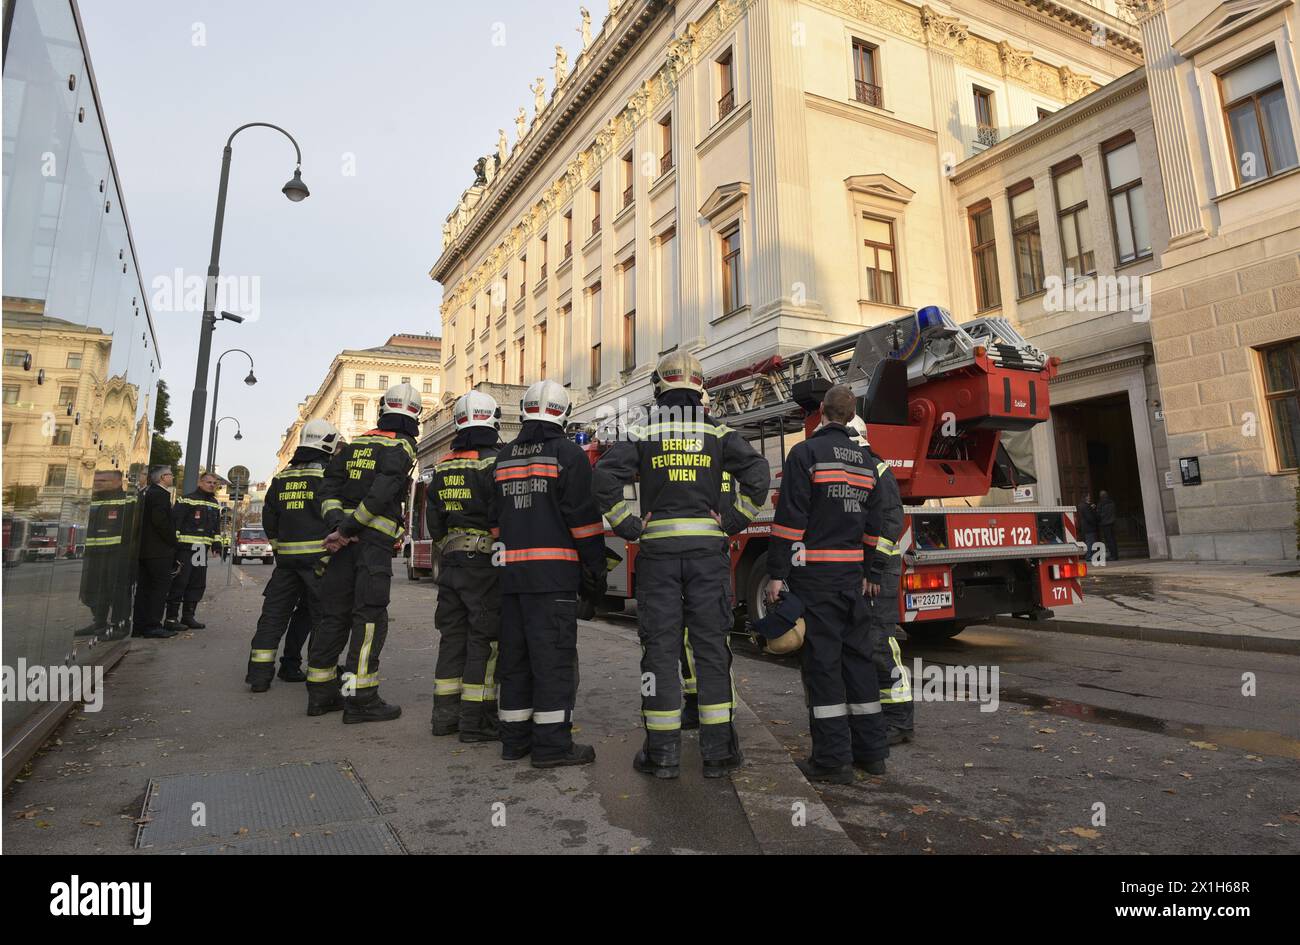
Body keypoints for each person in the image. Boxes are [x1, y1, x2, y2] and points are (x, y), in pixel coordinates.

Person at [593, 352, 770, 780]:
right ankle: (719, 753)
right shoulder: (718, 431)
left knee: (660, 650)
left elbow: (602, 478)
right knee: (711, 647)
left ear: (660, 388)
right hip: (708, 557)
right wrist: (731, 521)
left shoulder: (644, 431)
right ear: (699, 388)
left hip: (658, 559)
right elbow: (758, 474)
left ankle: (663, 755)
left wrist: (630, 525)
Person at [765, 384, 889, 784]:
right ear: (851, 416)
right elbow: (876, 525)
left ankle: (833, 762)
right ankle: (872, 755)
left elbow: (789, 520)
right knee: (859, 664)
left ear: (821, 411)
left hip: (815, 580)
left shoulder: (805, 455)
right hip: (853, 581)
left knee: (823, 667)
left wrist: (778, 573)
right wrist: (871, 571)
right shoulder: (868, 461)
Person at [494, 379, 606, 768]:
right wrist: (595, 569)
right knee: (553, 660)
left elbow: (497, 523)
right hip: (553, 578)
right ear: (563, 413)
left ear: (524, 411)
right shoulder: (567, 455)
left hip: (509, 579)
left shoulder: (504, 456)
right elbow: (584, 522)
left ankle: (514, 740)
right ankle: (552, 746)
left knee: (515, 659)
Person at [308, 383, 420, 721]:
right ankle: (360, 699)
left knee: (334, 616)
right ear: (414, 415)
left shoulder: (353, 445)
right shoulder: (401, 447)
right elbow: (382, 493)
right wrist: (349, 529)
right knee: (369, 618)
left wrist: (337, 526)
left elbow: (327, 491)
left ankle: (322, 695)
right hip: (370, 548)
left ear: (382, 410)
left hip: (343, 546)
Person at [427, 390, 504, 741]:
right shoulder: (494, 462)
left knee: (452, 637)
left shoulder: (442, 466)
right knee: (484, 639)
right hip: (484, 565)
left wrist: (450, 547)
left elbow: (434, 523)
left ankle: (444, 717)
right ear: (493, 418)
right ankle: (476, 720)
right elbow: (501, 515)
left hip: (451, 564)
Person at [245, 418, 341, 692]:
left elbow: (269, 519)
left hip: (286, 563)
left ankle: (259, 676)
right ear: (329, 445)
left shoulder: (281, 479)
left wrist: (278, 548)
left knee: (274, 616)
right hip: (321, 562)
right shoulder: (328, 477)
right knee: (322, 616)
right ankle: (318, 674)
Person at [849, 416, 914, 745]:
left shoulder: (877, 470)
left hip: (880, 572)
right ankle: (878, 714)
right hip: (866, 570)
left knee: (880, 643)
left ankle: (899, 718)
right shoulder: (859, 468)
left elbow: (891, 521)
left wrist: (874, 569)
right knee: (866, 643)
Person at [164, 471, 222, 631]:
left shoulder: (215, 503)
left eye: (214, 483)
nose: (211, 485)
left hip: (201, 550)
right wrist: (175, 547)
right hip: (185, 549)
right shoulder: (186, 499)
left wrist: (217, 544)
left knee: (197, 583)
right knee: (180, 582)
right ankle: (171, 618)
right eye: (208, 482)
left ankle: (188, 617)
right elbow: (175, 523)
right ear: (200, 482)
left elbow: (216, 528)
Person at [78, 470, 132, 638]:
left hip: (118, 554)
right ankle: (99, 623)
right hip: (94, 554)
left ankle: (119, 626)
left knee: (117, 592)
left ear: (118, 482)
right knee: (93, 590)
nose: (98, 483)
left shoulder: (126, 500)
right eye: (96, 479)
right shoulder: (93, 500)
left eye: (103, 480)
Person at [133, 466, 179, 639]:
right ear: (162, 478)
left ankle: (139, 626)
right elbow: (160, 521)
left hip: (145, 550)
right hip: (159, 551)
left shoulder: (146, 493)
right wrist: (173, 542)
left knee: (144, 589)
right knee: (159, 589)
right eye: (170, 475)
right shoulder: (160, 494)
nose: (172, 477)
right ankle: (153, 625)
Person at [1097, 490, 1118, 562]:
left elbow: (1099, 514)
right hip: (1112, 523)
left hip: (1105, 524)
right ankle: (1116, 555)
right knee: (1113, 540)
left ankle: (1112, 556)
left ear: (1101, 496)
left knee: (1109, 541)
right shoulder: (1112, 503)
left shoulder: (1101, 504)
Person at [1079, 493, 1099, 561]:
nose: (1089, 497)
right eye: (1088, 496)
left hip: (1086, 527)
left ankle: (1091, 556)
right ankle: (1089, 556)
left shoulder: (1084, 505)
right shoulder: (1085, 506)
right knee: (1090, 542)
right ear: (1086, 497)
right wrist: (1095, 523)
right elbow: (1089, 517)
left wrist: (1091, 507)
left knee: (1090, 542)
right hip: (1089, 527)